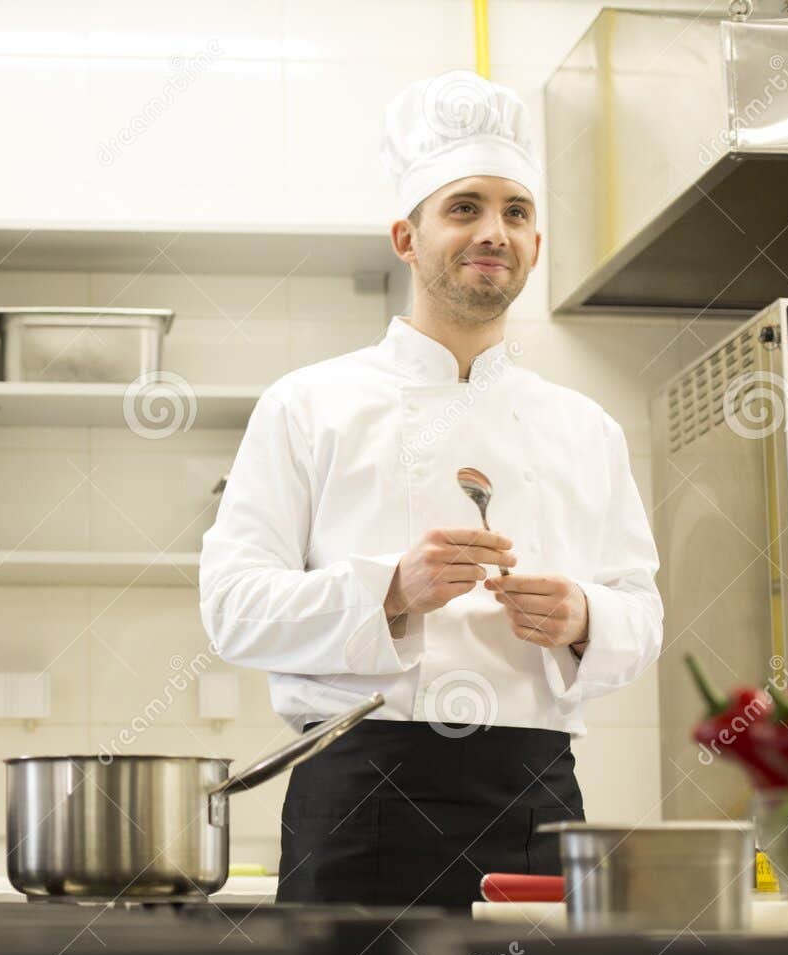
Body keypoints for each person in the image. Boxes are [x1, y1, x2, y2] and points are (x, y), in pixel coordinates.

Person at [199, 71, 662, 909]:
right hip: (359, 797)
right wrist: (389, 590)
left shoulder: (586, 428)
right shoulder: (307, 405)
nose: (493, 231)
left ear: (535, 244)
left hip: (534, 799)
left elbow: (644, 613)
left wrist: (585, 616)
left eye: (515, 212)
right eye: (465, 207)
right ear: (406, 238)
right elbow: (232, 606)